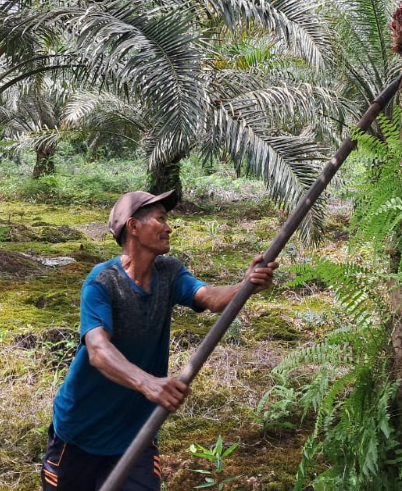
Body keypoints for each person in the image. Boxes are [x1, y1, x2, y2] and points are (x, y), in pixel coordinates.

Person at [42, 189, 278, 491]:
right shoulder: (103, 282)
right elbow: (98, 350)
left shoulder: (169, 272)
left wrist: (245, 285)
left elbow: (209, 298)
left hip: (136, 436)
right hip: (79, 435)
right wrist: (148, 383)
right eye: (161, 219)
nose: (168, 227)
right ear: (133, 227)